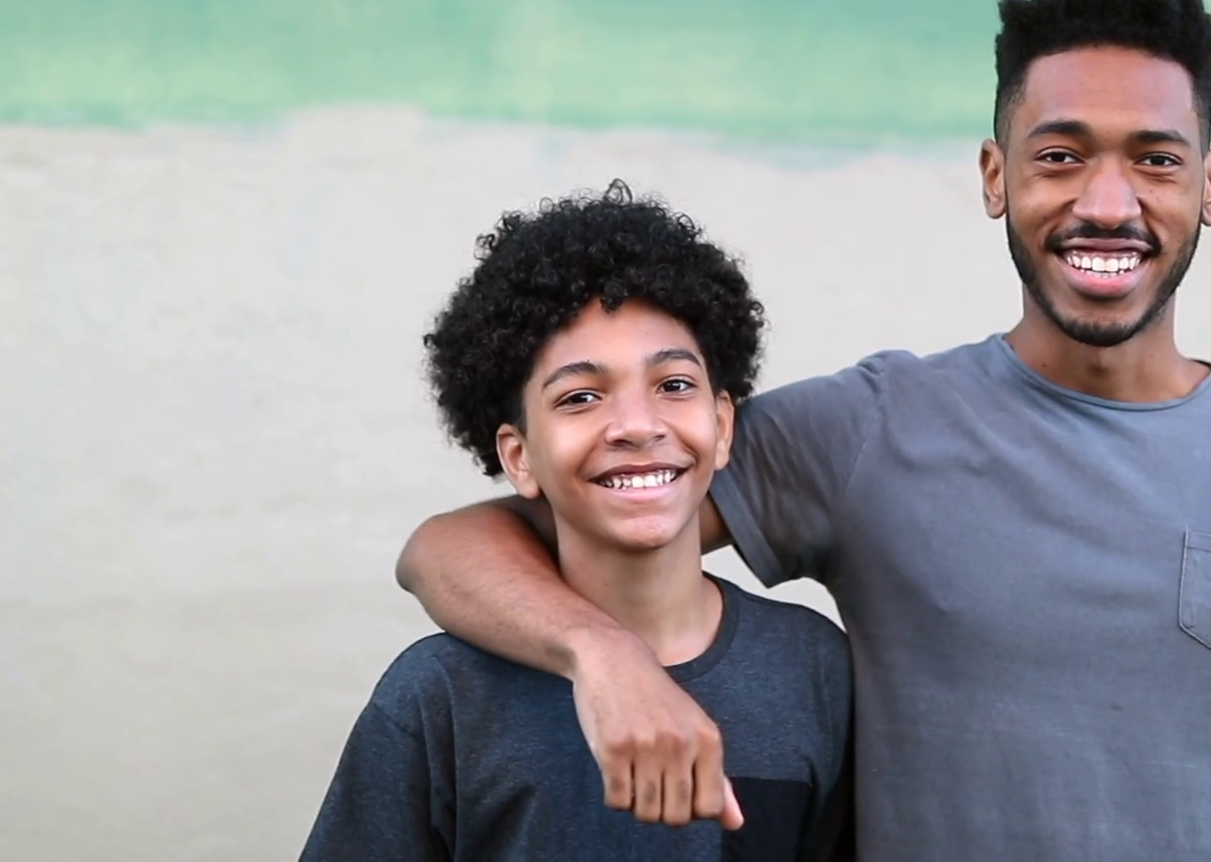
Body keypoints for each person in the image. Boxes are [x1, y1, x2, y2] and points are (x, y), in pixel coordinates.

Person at [395, 0, 1211, 861]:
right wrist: (604, 654)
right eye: (1061, 155)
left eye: (1156, 160)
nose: (1108, 204)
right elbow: (454, 546)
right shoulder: (867, 433)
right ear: (997, 176)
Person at [302, 184, 852, 861]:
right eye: (581, 396)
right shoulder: (440, 697)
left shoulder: (814, 670)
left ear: (722, 423)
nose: (636, 426)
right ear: (519, 456)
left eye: (674, 384)